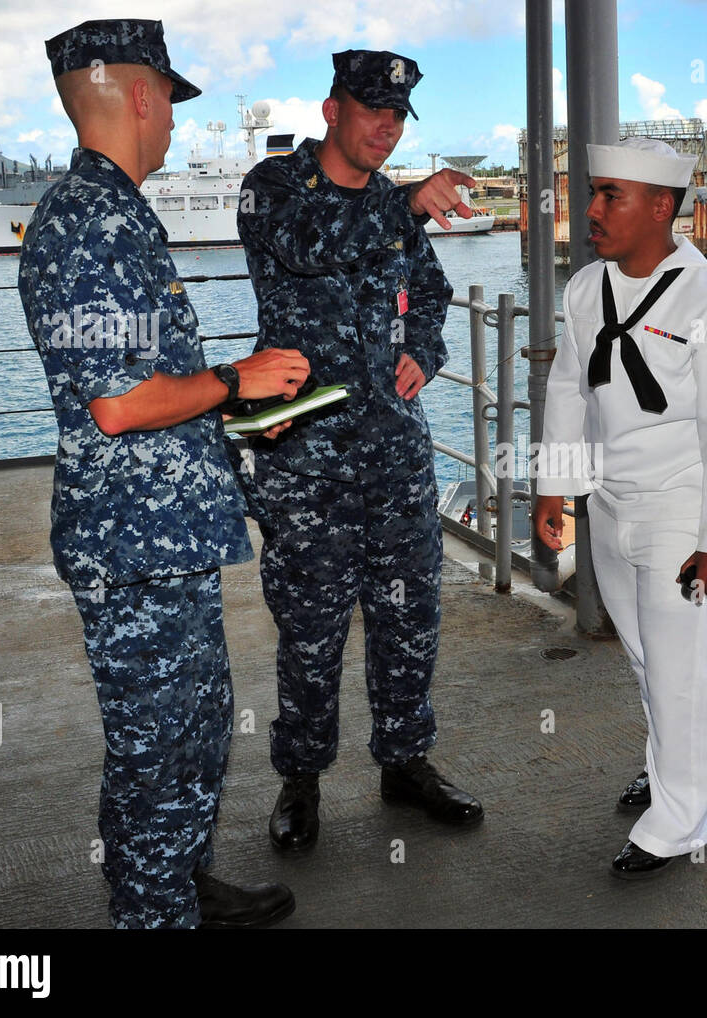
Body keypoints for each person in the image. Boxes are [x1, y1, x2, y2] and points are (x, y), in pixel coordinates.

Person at [18, 18, 310, 928]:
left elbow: (144, 390)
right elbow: (117, 402)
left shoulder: (110, 212)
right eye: (172, 104)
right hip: (135, 544)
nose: (177, 124)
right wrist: (234, 379)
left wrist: (235, 410)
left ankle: (177, 878)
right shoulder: (88, 221)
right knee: (161, 748)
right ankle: (154, 910)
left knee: (187, 732)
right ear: (143, 95)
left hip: (160, 535)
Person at [238, 48, 483, 855]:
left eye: (399, 114)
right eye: (371, 107)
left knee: (410, 618)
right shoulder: (274, 189)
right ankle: (300, 781)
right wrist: (408, 205)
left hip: (397, 459)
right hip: (304, 460)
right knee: (310, 630)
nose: (387, 124)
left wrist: (426, 348)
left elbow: (435, 293)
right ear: (330, 110)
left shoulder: (390, 205)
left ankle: (405, 763)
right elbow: (311, 244)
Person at [533, 137, 707, 879]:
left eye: (610, 196)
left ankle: (678, 825)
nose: (592, 210)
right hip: (610, 503)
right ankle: (668, 772)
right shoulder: (585, 290)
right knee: (645, 659)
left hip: (681, 512)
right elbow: (570, 386)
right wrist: (555, 487)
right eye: (594, 194)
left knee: (680, 671)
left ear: (662, 207)